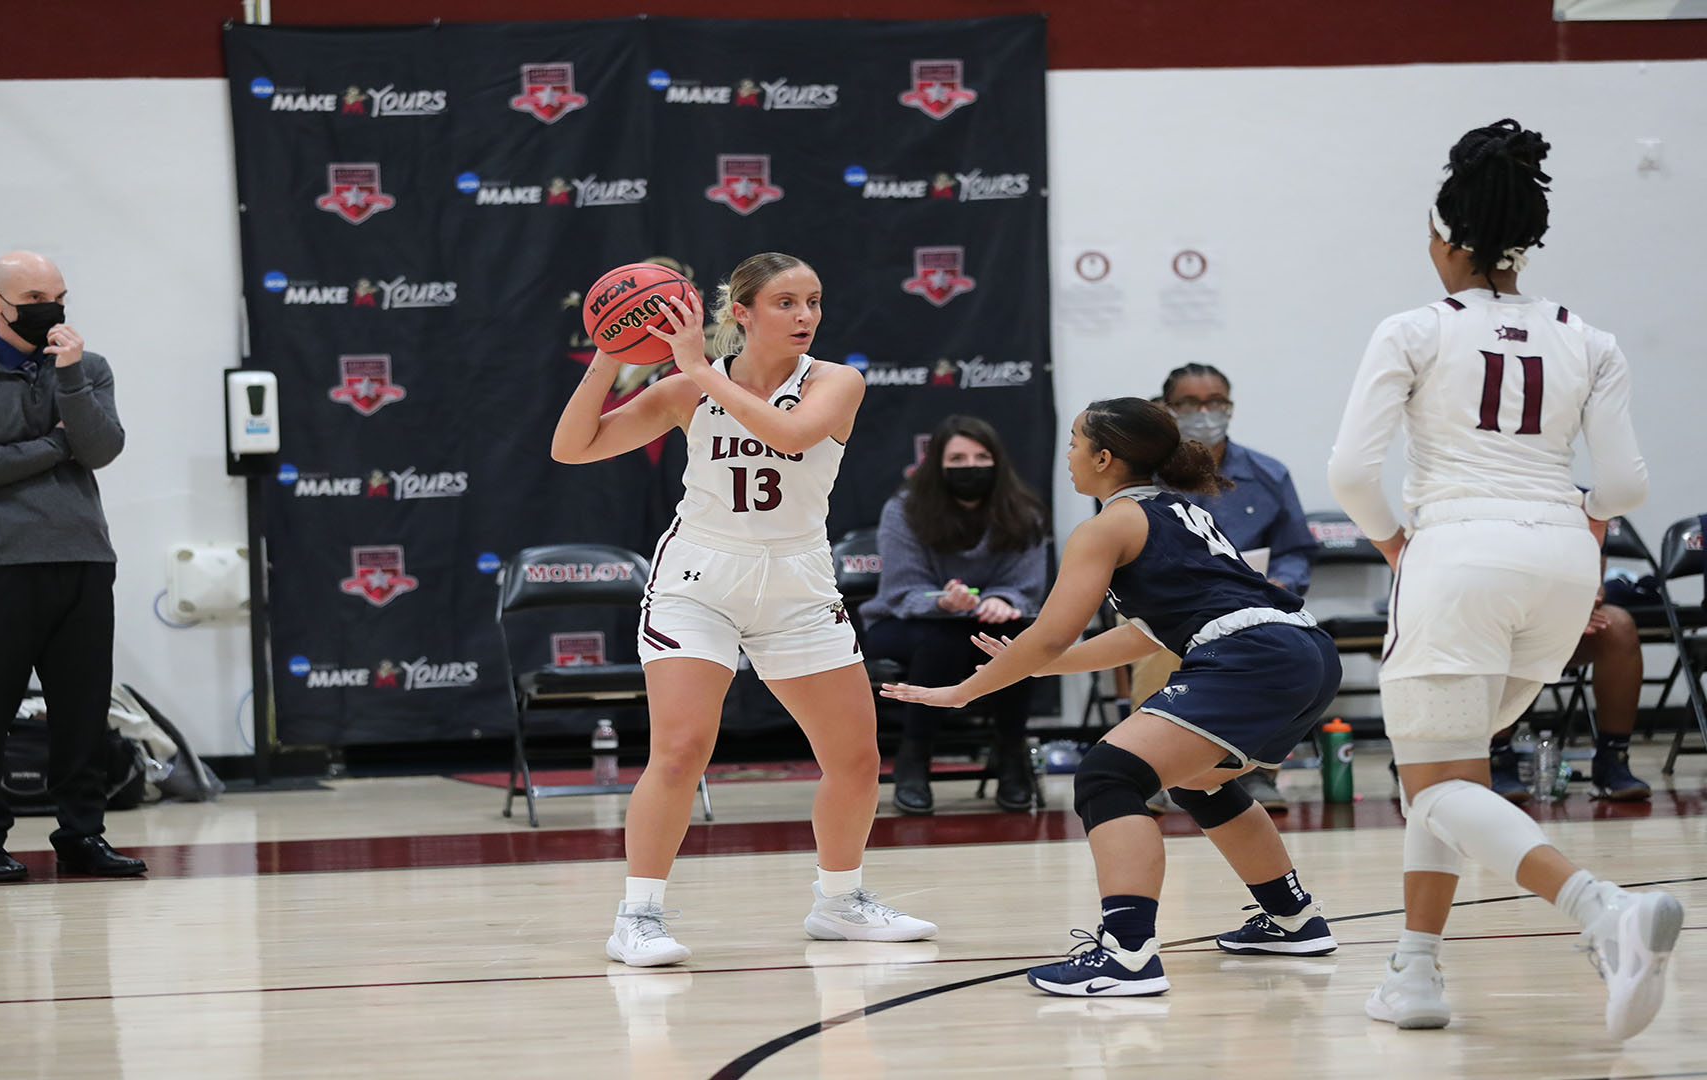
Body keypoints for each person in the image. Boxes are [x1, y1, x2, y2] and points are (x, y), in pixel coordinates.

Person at [1327, 118, 1677, 1038]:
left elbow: (1351, 475)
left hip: (1457, 555)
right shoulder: (1589, 339)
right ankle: (1414, 971)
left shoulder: (1413, 329)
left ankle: (1603, 910)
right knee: (1450, 776)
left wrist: (1397, 545)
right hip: (1562, 560)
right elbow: (1630, 480)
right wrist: (1587, 525)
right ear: (1527, 243)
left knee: (1437, 781)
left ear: (1444, 239)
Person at [551, 252, 936, 967]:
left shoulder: (835, 381)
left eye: (814, 301)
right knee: (679, 750)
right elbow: (573, 447)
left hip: (797, 578)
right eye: (786, 302)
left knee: (854, 757)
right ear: (743, 312)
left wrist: (697, 369)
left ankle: (840, 903)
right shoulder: (682, 389)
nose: (805, 316)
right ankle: (637, 916)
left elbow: (789, 436)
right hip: (700, 576)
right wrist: (608, 357)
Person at [884, 398, 1342, 996]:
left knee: (1107, 776)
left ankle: (1126, 953)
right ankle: (1291, 918)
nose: (1069, 454)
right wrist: (1037, 666)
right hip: (1304, 649)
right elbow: (1142, 633)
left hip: (1251, 657)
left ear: (1104, 457)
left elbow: (1049, 633)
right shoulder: (1179, 511)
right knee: (1200, 779)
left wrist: (963, 693)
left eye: (1075, 442)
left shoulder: (1107, 526)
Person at [0, 250, 146, 883]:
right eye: (36, 296)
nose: (54, 308)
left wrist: (69, 377)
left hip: (83, 558)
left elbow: (100, 449)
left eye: (61, 294)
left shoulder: (88, 368)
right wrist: (53, 445)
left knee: (81, 709)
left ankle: (82, 836)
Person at [1138, 364, 1319, 811]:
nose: (1205, 413)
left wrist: (1283, 581)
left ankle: (1256, 769)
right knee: (1155, 637)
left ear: (1230, 408)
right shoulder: (1143, 476)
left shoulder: (1268, 474)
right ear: (1166, 409)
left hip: (1254, 602)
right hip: (1169, 601)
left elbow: (1296, 548)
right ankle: (1149, 766)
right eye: (1189, 404)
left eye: (1215, 402)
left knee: (1286, 639)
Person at [859, 414, 1049, 814]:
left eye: (981, 457)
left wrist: (1003, 599)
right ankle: (916, 758)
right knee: (941, 641)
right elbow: (901, 592)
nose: (970, 467)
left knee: (1016, 639)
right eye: (957, 458)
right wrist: (942, 602)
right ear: (937, 464)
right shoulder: (905, 509)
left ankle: (1011, 752)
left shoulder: (1025, 511)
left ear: (998, 461)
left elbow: (1027, 587)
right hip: (904, 622)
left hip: (983, 623)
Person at [1488, 595, 1651, 801]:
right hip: (1505, 609)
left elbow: (1595, 584)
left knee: (1618, 625)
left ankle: (1612, 760)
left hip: (1564, 612)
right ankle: (1496, 760)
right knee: (1492, 620)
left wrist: (1577, 606)